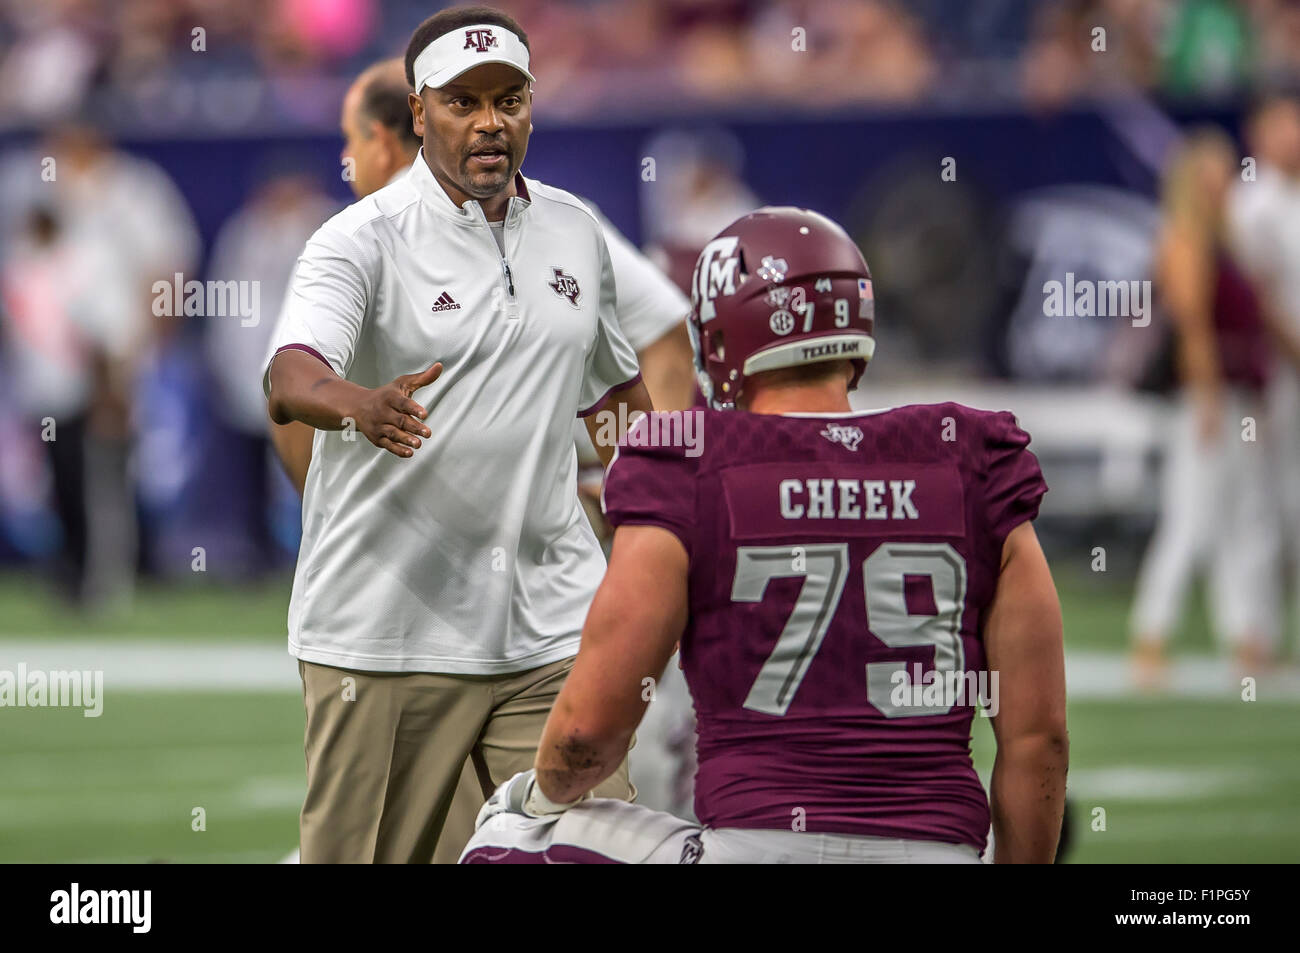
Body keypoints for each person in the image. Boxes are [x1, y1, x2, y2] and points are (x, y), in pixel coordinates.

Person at [463, 206, 1068, 864]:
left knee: (507, 828)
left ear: (721, 339)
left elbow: (588, 731)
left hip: (756, 845)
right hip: (937, 852)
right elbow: (1038, 741)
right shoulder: (971, 460)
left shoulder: (688, 460)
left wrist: (540, 795)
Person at [263, 5, 653, 864]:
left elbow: (615, 394)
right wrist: (358, 404)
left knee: (592, 851)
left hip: (552, 625)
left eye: (508, 100)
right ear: (418, 111)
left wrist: (664, 502)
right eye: (462, 101)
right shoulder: (357, 240)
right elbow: (288, 376)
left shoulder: (574, 229)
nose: (488, 123)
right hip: (386, 629)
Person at [1130, 129, 1280, 685]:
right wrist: (1210, 399)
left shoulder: (1229, 241)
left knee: (1245, 517)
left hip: (1238, 393)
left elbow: (1259, 324)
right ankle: (1152, 634)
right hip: (1207, 397)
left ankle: (1246, 637)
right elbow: (1193, 329)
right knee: (1191, 517)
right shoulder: (1186, 240)